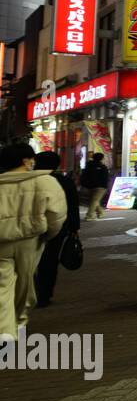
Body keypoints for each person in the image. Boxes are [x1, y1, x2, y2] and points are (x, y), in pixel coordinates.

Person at [0, 143, 66, 340]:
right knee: (25, 283)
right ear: (26, 160)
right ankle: (19, 321)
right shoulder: (45, 181)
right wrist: (49, 235)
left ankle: (5, 331)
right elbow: (56, 214)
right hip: (30, 241)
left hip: (1, 243)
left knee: (3, 286)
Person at [33, 151, 80, 309]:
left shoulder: (29, 181)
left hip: (31, 228)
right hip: (59, 227)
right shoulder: (65, 181)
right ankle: (44, 294)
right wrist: (74, 228)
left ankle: (31, 293)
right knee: (49, 262)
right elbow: (73, 206)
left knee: (28, 262)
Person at [81, 152, 110, 220]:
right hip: (101, 186)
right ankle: (89, 216)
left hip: (90, 186)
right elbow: (105, 177)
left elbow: (84, 175)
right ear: (101, 159)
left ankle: (100, 213)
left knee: (93, 200)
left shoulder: (88, 165)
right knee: (95, 200)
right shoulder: (102, 167)